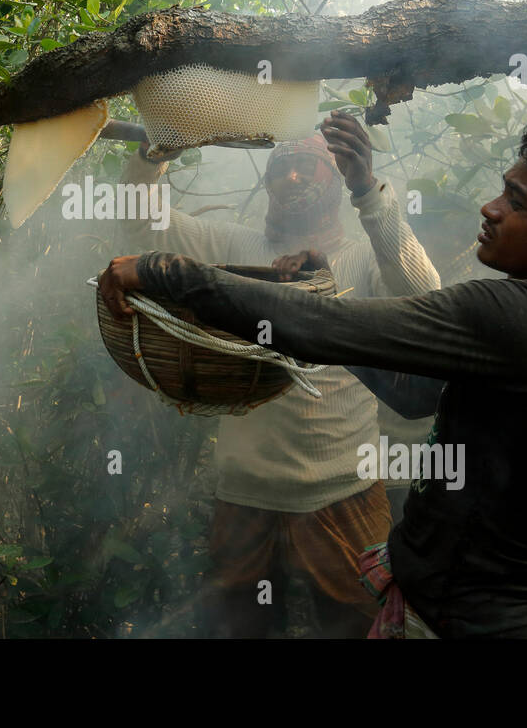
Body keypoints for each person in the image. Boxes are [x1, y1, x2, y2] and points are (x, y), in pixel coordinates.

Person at [101, 119, 527, 638]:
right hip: (444, 597)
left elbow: (328, 323)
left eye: (514, 202)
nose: (490, 209)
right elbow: (414, 394)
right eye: (281, 167)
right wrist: (323, 294)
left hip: (479, 616)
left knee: (344, 621)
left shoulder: (519, 313)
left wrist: (160, 271)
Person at [114, 112, 440, 637]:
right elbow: (140, 223)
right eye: (281, 168)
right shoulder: (234, 249)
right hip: (244, 492)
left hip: (343, 492)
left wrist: (369, 190)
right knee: (240, 627)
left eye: (307, 167)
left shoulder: (359, 259)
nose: (291, 177)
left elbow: (426, 295)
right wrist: (157, 150)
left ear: (334, 182)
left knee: (362, 627)